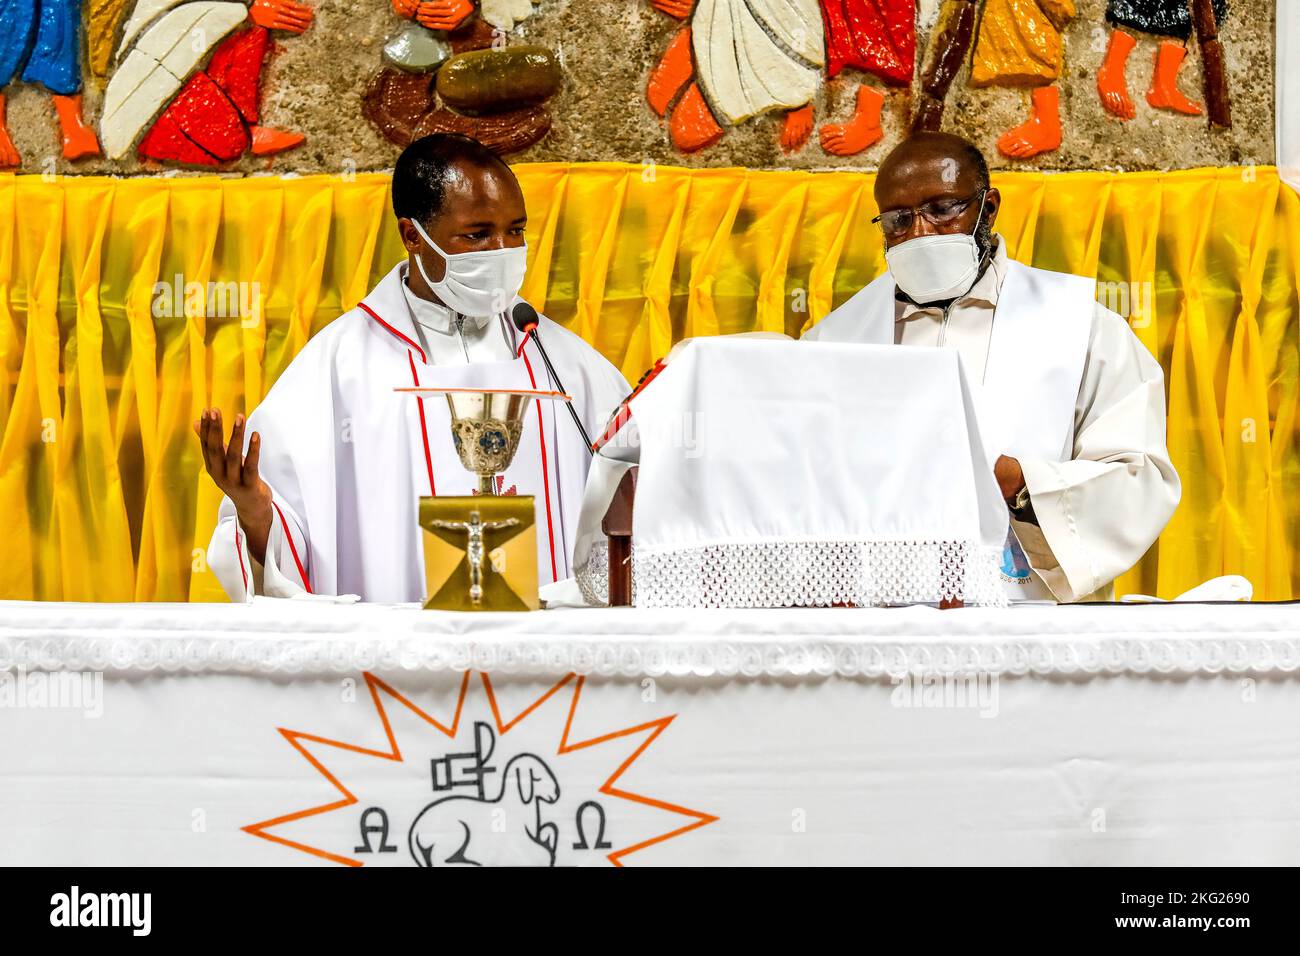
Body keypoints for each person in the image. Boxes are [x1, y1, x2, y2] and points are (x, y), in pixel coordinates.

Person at [195, 133, 630, 602]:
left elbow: (632, 506)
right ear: (412, 236)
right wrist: (257, 511)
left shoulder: (563, 363)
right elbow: (286, 549)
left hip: (548, 659)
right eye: (478, 234)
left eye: (516, 230)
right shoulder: (337, 371)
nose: (502, 250)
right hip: (397, 663)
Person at [802, 131, 1180, 602]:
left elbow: (1139, 476)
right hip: (877, 622)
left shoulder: (1082, 326)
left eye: (942, 210)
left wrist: (1023, 483)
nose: (920, 233)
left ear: (988, 207)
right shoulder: (835, 339)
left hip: (1027, 628)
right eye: (898, 221)